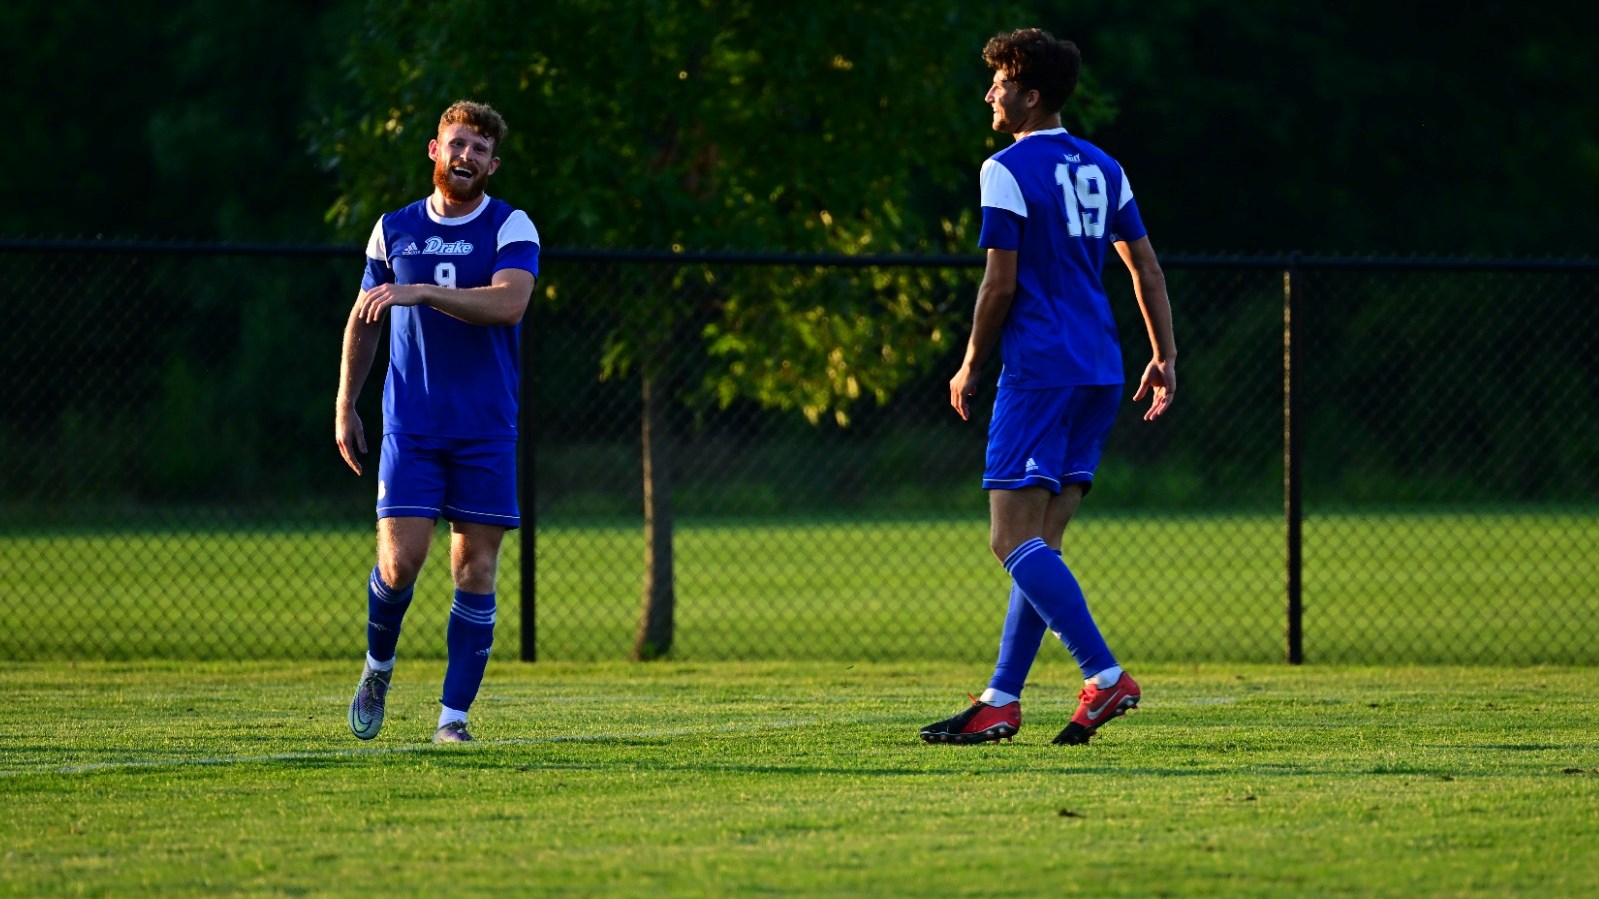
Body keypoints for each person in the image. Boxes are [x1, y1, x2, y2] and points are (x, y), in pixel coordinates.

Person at [921, 30, 1176, 747]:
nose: (989, 93)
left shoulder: (1004, 168)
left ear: (1029, 94)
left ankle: (1102, 674)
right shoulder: (1104, 166)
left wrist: (971, 361)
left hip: (1039, 370)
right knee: (1042, 544)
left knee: (1009, 540)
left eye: (999, 81)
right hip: (1100, 368)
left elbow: (998, 282)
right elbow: (1146, 270)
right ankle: (1000, 698)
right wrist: (1165, 356)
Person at [336, 100, 540, 744]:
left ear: (492, 163)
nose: (467, 156)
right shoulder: (393, 229)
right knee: (400, 564)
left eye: (480, 149)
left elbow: (510, 304)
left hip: (484, 426)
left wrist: (421, 291)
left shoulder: (511, 225)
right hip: (412, 426)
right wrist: (346, 402)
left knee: (475, 569)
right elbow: (365, 318)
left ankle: (453, 721)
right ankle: (378, 668)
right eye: (458, 143)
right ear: (433, 149)